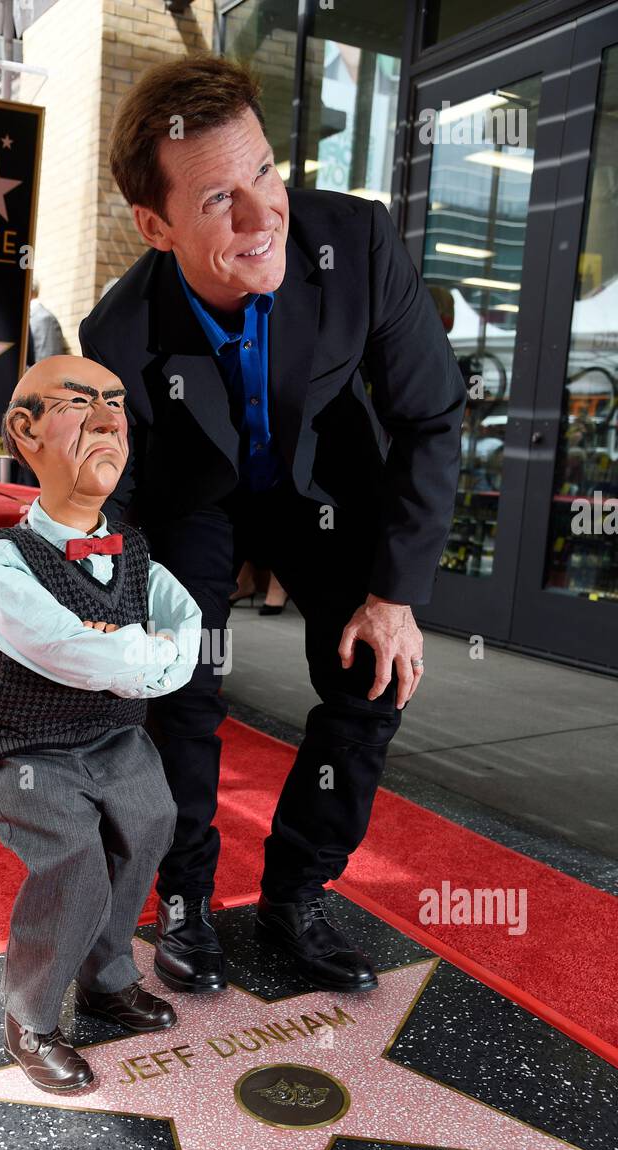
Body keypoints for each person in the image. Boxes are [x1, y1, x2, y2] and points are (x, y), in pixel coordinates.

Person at [78, 56, 466, 996]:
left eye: (264, 172)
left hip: (321, 480)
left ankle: (297, 893)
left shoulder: (357, 245)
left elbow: (431, 416)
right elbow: (115, 500)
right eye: (217, 199)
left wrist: (392, 598)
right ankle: (185, 896)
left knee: (372, 674)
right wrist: (116, 616)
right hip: (194, 496)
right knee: (183, 685)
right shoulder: (118, 339)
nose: (261, 216)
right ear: (156, 225)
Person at [0, 354, 202, 1093]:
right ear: (23, 433)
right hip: (30, 746)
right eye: (78, 405)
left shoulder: (135, 549)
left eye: (116, 405)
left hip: (117, 736)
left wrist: (128, 652)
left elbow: (187, 630)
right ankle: (30, 1015)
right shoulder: (3, 559)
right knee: (73, 865)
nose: (106, 420)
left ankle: (106, 976)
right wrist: (135, 653)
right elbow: (63, 649)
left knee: (150, 828)